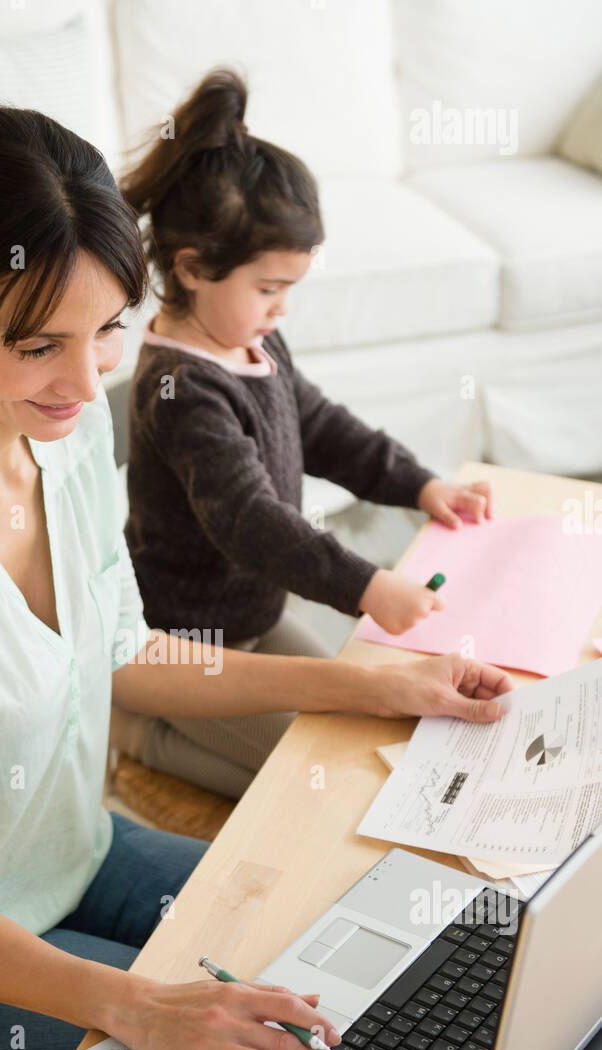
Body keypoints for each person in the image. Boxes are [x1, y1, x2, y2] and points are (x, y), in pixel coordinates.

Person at [0, 105, 513, 1050]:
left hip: (73, 858)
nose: (87, 383)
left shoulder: (61, 431)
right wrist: (141, 1008)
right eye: (38, 344)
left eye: (109, 330)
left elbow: (125, 653)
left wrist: (373, 682)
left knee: (370, 951)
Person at [115, 69, 494, 799]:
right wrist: (366, 586)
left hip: (258, 618)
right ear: (192, 269)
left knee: (349, 741)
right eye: (268, 288)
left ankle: (166, 730)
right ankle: (143, 728)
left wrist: (420, 483)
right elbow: (251, 523)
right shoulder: (183, 390)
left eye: (290, 288)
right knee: (309, 781)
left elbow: (319, 426)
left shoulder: (253, 339)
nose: (282, 308)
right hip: (193, 649)